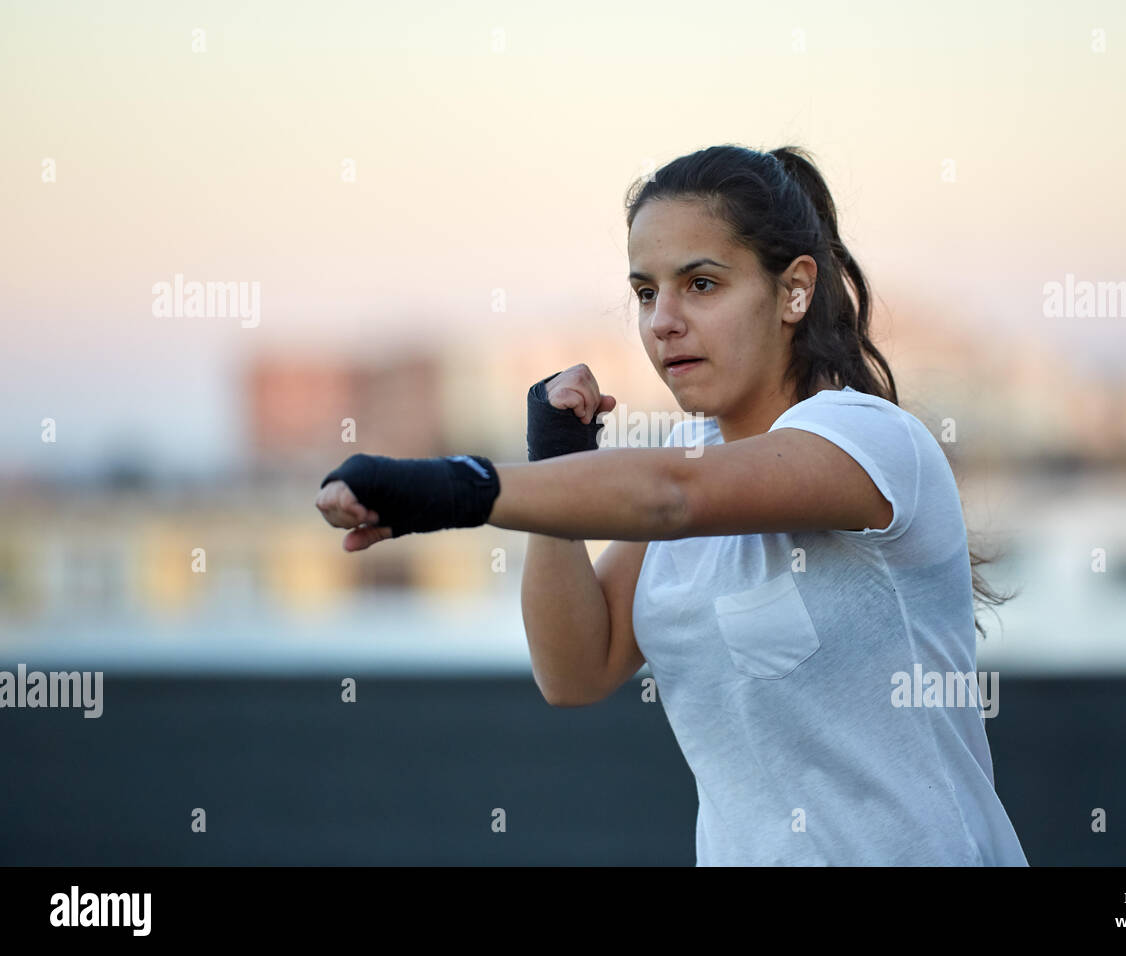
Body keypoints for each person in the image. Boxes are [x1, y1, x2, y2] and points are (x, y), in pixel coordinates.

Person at [316, 144, 1028, 866]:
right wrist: (558, 467)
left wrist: (446, 490)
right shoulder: (689, 460)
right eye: (647, 292)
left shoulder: (869, 441)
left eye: (701, 285)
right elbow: (575, 670)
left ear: (794, 291)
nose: (663, 320)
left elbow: (673, 496)